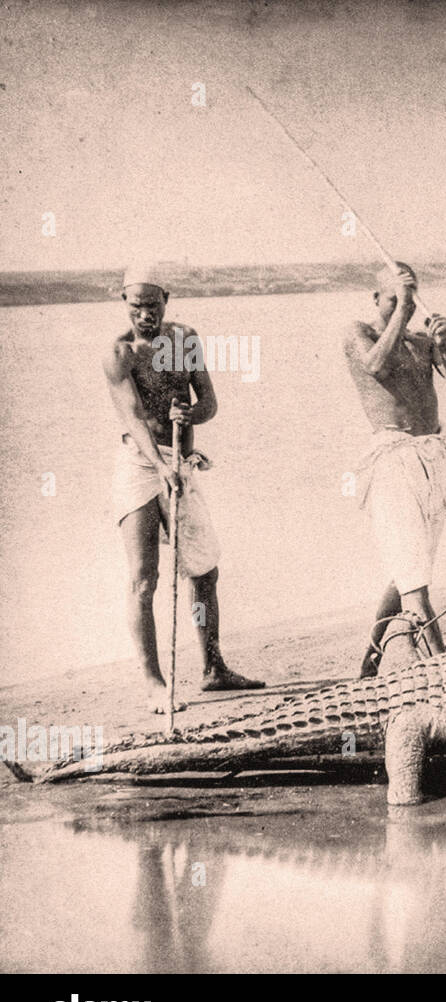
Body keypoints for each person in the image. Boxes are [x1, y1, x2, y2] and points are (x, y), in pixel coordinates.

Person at [103, 263, 263, 712]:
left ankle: (214, 669)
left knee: (204, 570)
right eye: (136, 307)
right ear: (124, 304)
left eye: (152, 306)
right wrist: (159, 465)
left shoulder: (185, 339)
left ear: (166, 300)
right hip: (140, 463)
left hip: (180, 461)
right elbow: (133, 419)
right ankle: (155, 683)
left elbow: (209, 401)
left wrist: (191, 416)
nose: (145, 316)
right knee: (143, 580)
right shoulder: (119, 354)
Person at [345, 263, 446, 676]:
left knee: (408, 570)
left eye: (409, 300)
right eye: (394, 299)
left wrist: (444, 344)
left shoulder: (418, 339)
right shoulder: (360, 333)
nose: (405, 308)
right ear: (376, 299)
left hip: (431, 456)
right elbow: (376, 366)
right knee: (414, 579)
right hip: (393, 458)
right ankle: (443, 670)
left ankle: (370, 661)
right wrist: (404, 308)